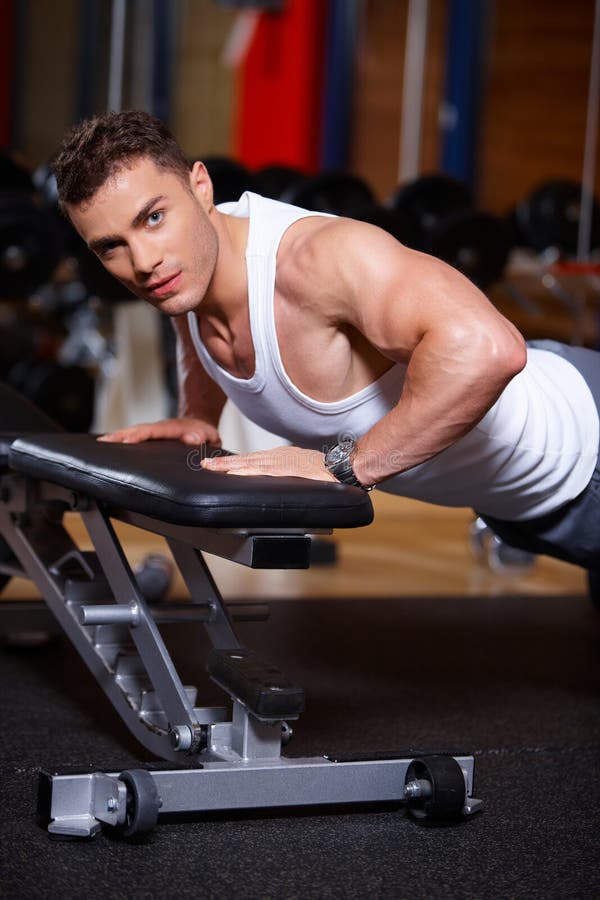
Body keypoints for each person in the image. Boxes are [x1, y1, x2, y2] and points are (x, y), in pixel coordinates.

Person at [51, 110, 600, 571]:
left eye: (153, 217)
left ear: (200, 185)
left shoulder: (318, 260)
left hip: (583, 450)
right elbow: (193, 325)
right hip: (520, 505)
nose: (143, 263)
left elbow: (489, 349)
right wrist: (199, 414)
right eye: (110, 246)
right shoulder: (181, 272)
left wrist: (347, 465)